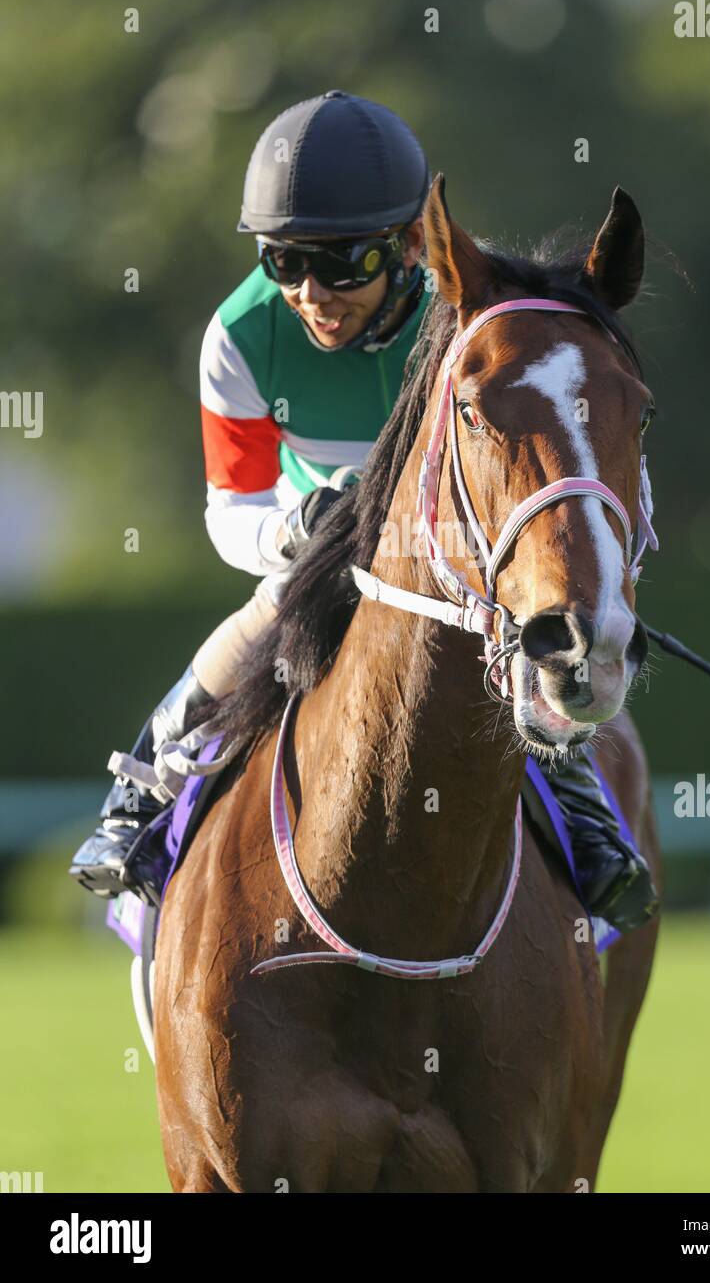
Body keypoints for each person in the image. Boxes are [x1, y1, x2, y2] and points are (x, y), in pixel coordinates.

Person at [69, 90, 657, 932]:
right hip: (319, 552)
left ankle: (586, 817)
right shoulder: (238, 335)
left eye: (343, 263)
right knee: (263, 613)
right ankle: (136, 798)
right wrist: (292, 528)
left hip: (455, 553)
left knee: (523, 653)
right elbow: (229, 510)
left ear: (413, 244)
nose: (312, 293)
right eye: (284, 261)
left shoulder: (472, 303)